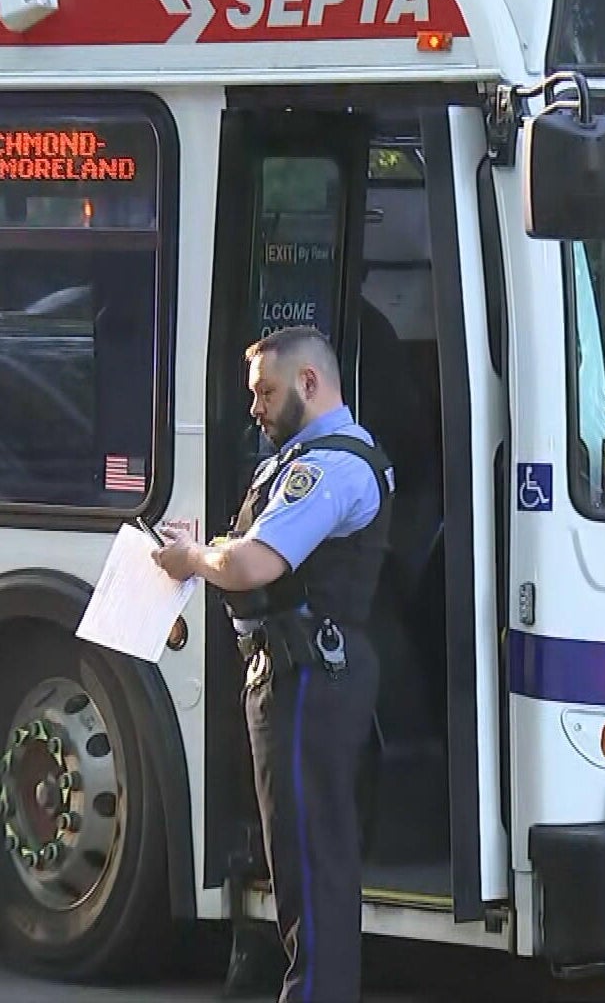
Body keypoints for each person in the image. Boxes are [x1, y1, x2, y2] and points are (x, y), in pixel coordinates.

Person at [153, 326, 394, 1003]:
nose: (255, 406)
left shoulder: (330, 467)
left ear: (309, 384)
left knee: (310, 858)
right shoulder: (306, 459)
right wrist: (210, 551)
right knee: (301, 854)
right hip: (295, 673)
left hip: (306, 677)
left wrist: (195, 559)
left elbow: (256, 561)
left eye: (266, 390)